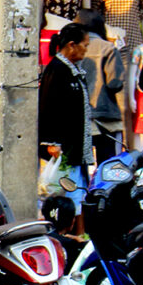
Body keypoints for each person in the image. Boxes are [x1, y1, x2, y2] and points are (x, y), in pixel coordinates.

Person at [40, 23, 93, 179]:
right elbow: (49, 107)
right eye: (85, 45)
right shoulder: (57, 70)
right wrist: (52, 142)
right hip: (63, 149)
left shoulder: (73, 70)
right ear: (72, 45)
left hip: (74, 147)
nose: (86, 50)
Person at [72, 10, 125, 163]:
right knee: (108, 167)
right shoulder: (108, 48)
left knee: (78, 167)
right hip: (106, 119)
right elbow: (115, 83)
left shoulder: (71, 48)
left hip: (79, 119)